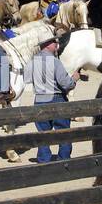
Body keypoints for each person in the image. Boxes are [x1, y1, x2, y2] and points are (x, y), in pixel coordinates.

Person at [30, 34, 76, 162]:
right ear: (48, 45)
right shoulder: (55, 62)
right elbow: (66, 84)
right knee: (63, 132)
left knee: (43, 132)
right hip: (56, 98)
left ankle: (44, 160)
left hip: (39, 99)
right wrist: (74, 79)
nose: (57, 45)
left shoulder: (33, 61)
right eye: (55, 42)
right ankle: (64, 160)